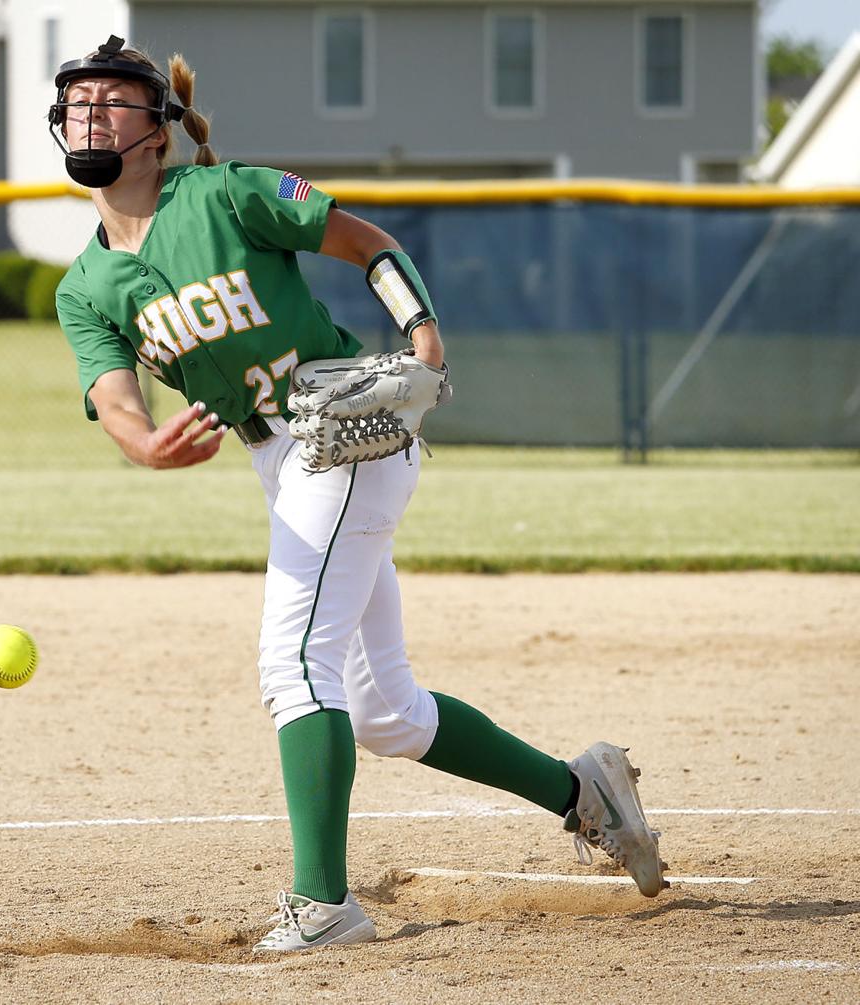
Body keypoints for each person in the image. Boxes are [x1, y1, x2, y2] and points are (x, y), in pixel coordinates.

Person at [49, 36, 667, 954]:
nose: (91, 115)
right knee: (387, 714)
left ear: (157, 130)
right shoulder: (84, 285)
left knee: (293, 666)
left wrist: (420, 330)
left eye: (113, 101)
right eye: (78, 102)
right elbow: (116, 401)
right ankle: (586, 791)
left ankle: (324, 905)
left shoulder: (227, 194)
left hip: (344, 432)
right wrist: (149, 449)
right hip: (279, 461)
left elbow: (370, 243)